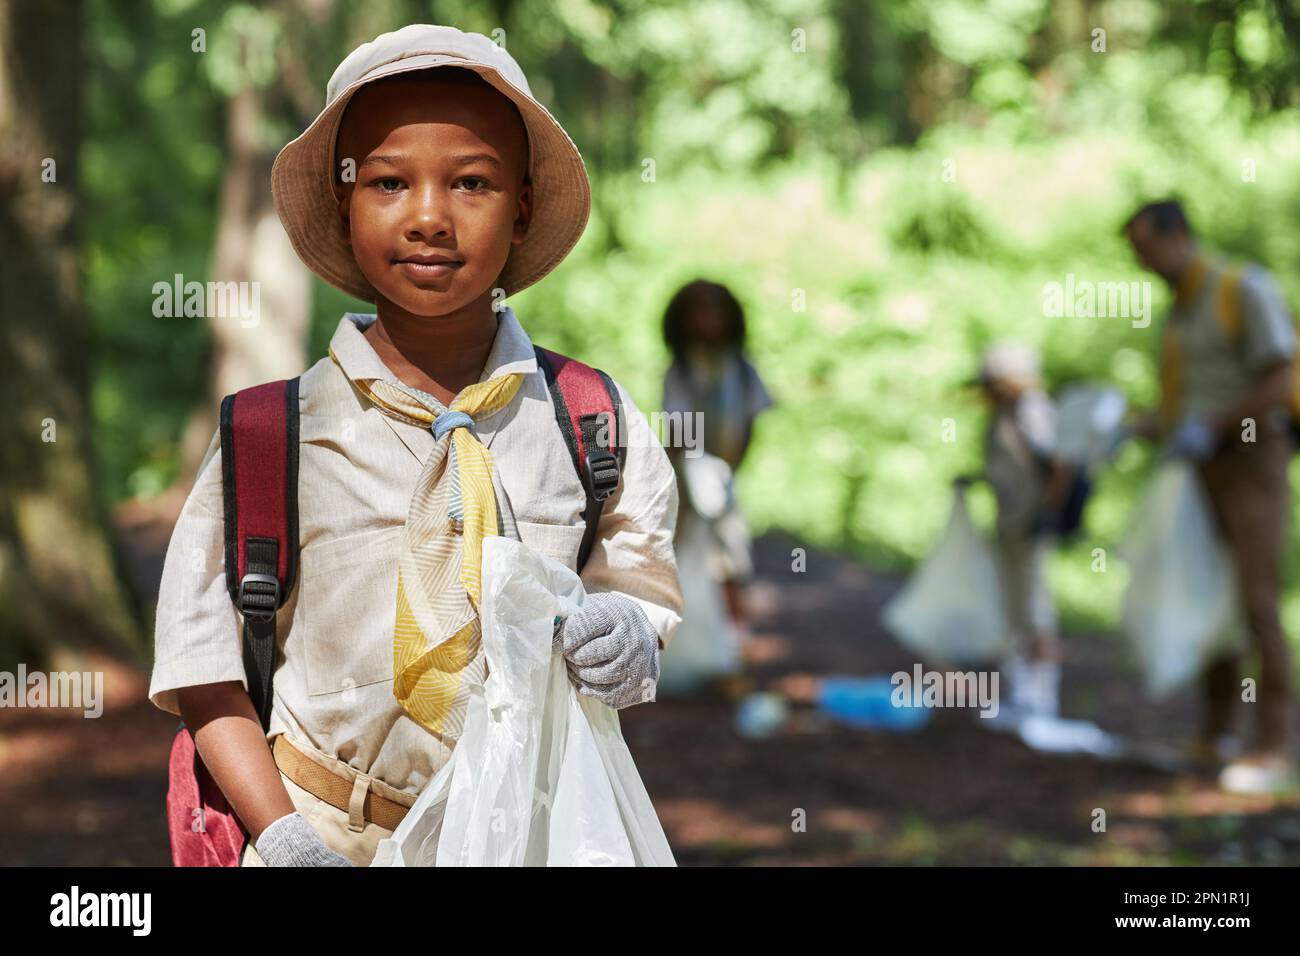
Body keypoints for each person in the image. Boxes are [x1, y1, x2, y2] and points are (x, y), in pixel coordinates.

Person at [148, 25, 683, 866]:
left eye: (472, 182)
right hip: (324, 828)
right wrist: (284, 838)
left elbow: (643, 595)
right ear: (343, 204)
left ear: (524, 209)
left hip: (527, 835)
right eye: (388, 182)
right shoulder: (267, 436)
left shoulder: (588, 420)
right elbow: (201, 667)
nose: (430, 216)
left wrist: (628, 634)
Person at [1125, 198, 1296, 794]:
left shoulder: (1240, 289)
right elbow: (1186, 406)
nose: (1141, 264)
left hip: (1252, 461)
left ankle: (1271, 745)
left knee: (1255, 600)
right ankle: (1214, 733)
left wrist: (1219, 423)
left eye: (1145, 249)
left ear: (1177, 236)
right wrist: (1136, 426)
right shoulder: (1180, 310)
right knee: (1209, 598)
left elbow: (1283, 376)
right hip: (1200, 470)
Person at [659, 280, 772, 692]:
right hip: (688, 480)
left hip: (723, 479)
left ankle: (731, 652)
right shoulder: (683, 370)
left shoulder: (740, 371)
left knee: (731, 564)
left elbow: (751, 422)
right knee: (688, 560)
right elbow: (677, 427)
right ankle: (694, 651)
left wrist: (729, 468)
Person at [967, 342, 1064, 723]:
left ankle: (1041, 697)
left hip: (1031, 524)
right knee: (1013, 608)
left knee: (1034, 607)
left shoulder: (1032, 409)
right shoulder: (1002, 416)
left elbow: (1058, 463)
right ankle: (1019, 691)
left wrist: (1048, 511)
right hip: (1009, 522)